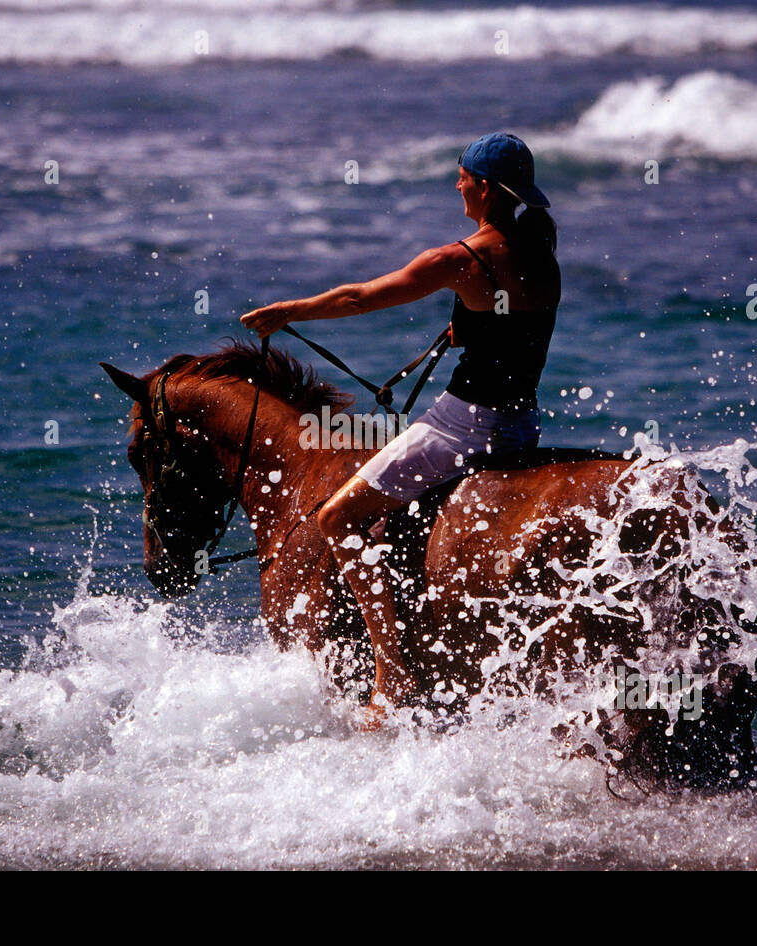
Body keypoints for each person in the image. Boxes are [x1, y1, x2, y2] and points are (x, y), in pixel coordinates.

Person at [240, 132, 561, 727]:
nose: (457, 185)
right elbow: (511, 320)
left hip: (464, 425)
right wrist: (472, 325)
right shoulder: (542, 242)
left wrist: (287, 313)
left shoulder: (461, 259)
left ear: (484, 187)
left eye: (462, 176)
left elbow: (361, 297)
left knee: (337, 516)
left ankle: (392, 675)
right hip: (520, 423)